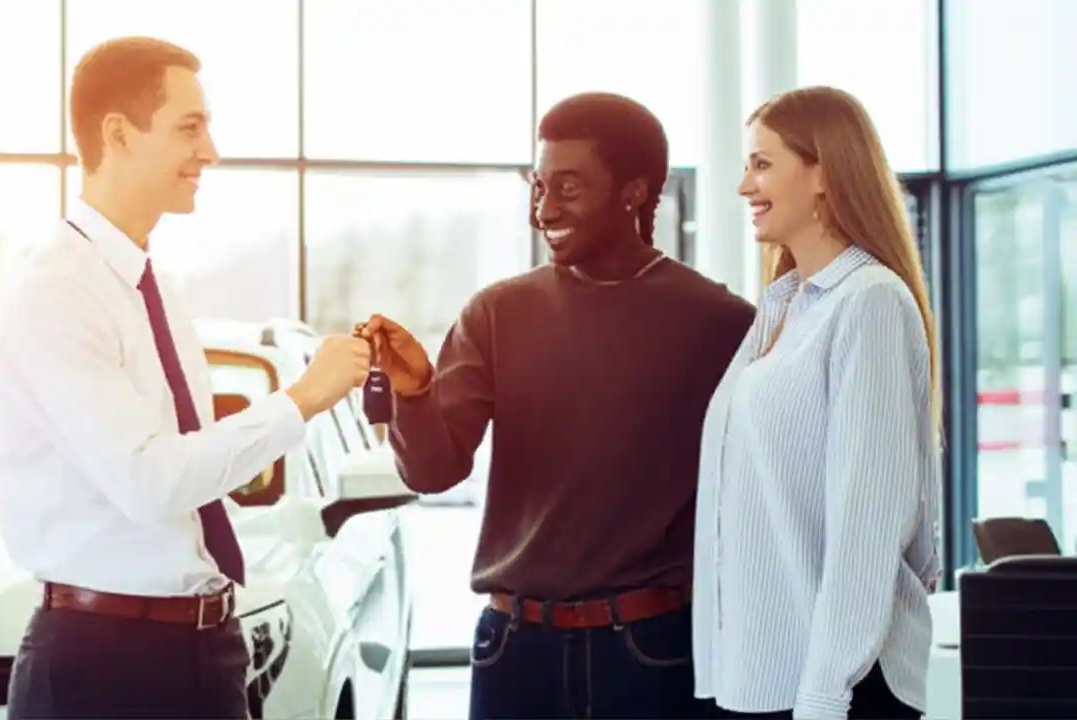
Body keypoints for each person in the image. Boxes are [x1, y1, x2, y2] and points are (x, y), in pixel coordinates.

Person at [0, 37, 370, 719]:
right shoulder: (54, 291)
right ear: (118, 135)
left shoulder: (151, 285)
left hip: (198, 651)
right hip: (102, 669)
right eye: (190, 127)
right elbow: (151, 480)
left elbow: (188, 467)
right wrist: (303, 398)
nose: (211, 152)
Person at [360, 92, 755, 719]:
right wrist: (412, 393)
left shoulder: (720, 323)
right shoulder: (497, 312)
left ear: (634, 191)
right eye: (539, 187)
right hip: (515, 652)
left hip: (653, 653)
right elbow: (434, 472)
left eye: (568, 187)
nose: (544, 209)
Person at [691, 85, 942, 720]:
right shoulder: (782, 306)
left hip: (834, 692)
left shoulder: (869, 303)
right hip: (764, 678)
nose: (744, 185)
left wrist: (826, 696)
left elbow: (869, 520)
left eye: (763, 163)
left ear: (825, 172)